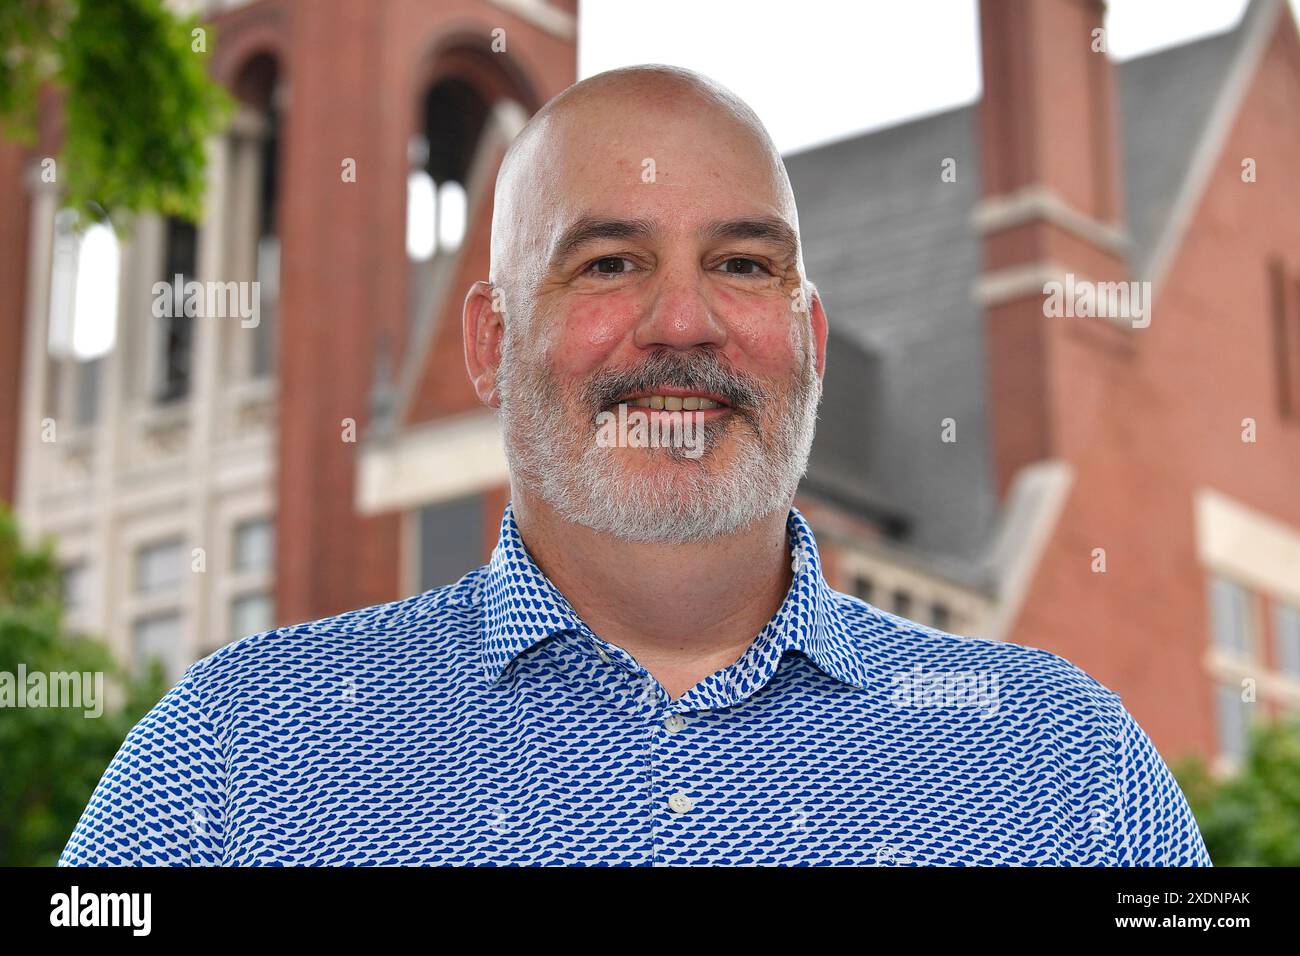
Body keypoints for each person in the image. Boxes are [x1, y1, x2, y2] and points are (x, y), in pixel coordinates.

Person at [60, 64, 1211, 866]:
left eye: (743, 264)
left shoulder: (1071, 771)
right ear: (490, 341)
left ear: (810, 342)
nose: (682, 322)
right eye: (609, 262)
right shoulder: (232, 759)